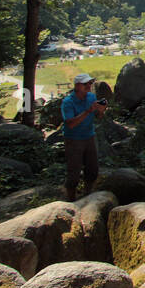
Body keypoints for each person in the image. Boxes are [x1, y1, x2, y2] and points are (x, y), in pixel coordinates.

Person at [61, 72, 106, 202]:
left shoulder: (91, 97)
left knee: (92, 169)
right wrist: (88, 111)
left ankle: (88, 195)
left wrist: (101, 110)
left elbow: (98, 116)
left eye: (90, 83)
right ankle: (71, 200)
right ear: (77, 86)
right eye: (85, 84)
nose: (89, 86)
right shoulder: (68, 102)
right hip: (73, 139)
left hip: (89, 137)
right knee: (74, 172)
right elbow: (70, 124)